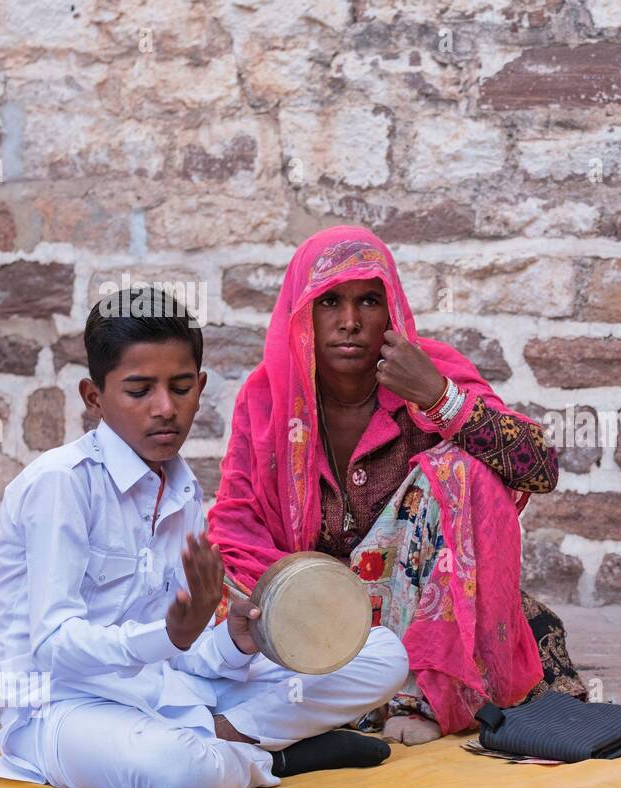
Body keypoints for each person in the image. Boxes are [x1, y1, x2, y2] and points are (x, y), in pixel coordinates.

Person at [0, 288, 406, 788]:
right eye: (139, 391)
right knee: (178, 774)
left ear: (200, 388)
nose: (165, 409)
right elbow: (52, 645)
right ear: (93, 397)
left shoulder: (179, 489)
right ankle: (274, 757)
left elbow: (189, 652)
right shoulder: (60, 485)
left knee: (383, 654)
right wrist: (166, 636)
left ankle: (231, 736)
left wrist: (235, 641)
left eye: (181, 388)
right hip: (62, 708)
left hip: (169, 688)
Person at [207, 227, 583, 746]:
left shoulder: (429, 372)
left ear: (393, 311)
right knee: (196, 585)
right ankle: (332, 686)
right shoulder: (267, 396)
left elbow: (537, 467)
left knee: (459, 471)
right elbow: (235, 523)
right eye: (329, 302)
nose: (349, 322)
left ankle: (419, 693)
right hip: (310, 608)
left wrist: (438, 397)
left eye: (368, 300)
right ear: (301, 313)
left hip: (416, 607)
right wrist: (300, 602)